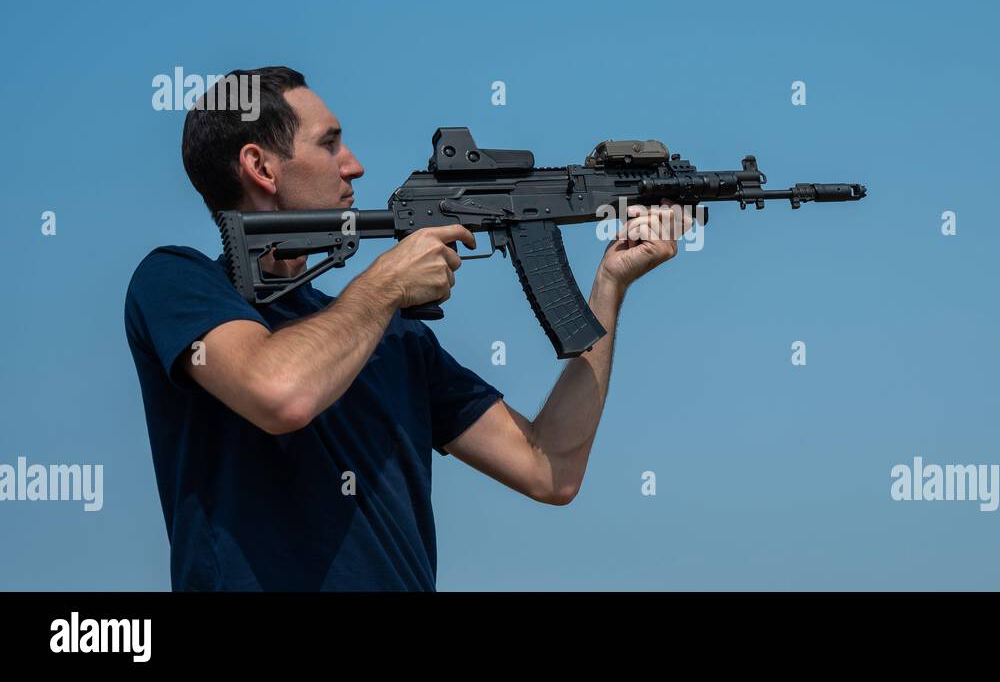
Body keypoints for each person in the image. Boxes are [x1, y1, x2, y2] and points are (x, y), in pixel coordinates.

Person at [124, 66, 688, 590]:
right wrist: (387, 284)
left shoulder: (398, 340)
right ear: (261, 166)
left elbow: (550, 468)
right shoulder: (177, 282)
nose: (354, 164)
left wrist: (609, 288)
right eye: (329, 142)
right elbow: (280, 392)